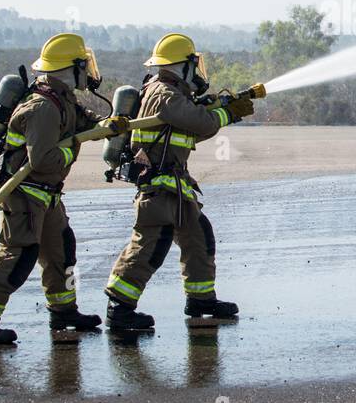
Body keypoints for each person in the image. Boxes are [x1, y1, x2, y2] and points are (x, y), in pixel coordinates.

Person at [0, 33, 128, 345]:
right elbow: (43, 160)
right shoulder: (43, 107)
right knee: (19, 254)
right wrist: (72, 150)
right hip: (25, 193)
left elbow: (85, 122)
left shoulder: (62, 99)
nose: (88, 71)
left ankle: (63, 311)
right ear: (71, 68)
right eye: (84, 65)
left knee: (61, 251)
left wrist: (110, 125)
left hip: (46, 195)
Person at [104, 33, 252, 329]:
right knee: (151, 245)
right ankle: (119, 307)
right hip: (158, 187)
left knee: (198, 235)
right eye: (193, 65)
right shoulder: (165, 95)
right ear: (182, 66)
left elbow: (193, 129)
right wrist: (227, 114)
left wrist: (218, 107)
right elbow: (201, 123)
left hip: (174, 186)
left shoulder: (172, 94)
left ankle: (201, 299)